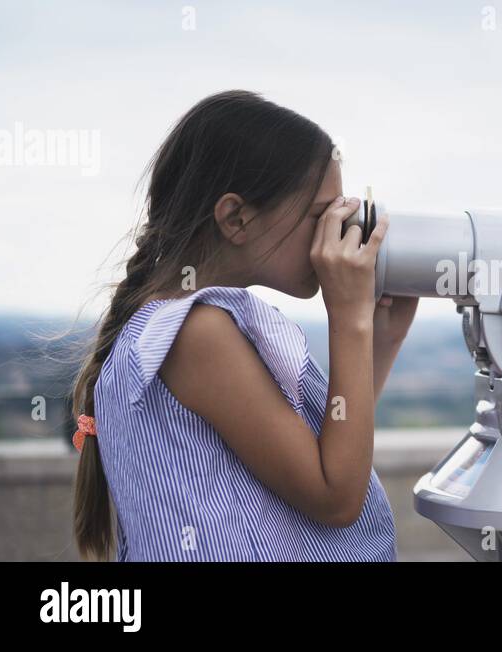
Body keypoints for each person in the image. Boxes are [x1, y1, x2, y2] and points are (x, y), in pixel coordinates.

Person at [69, 90, 416, 561]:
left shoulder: (179, 326)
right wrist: (349, 319)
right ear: (236, 218)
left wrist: (381, 336)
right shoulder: (197, 335)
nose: (333, 234)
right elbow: (336, 497)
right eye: (319, 215)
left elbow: (327, 445)